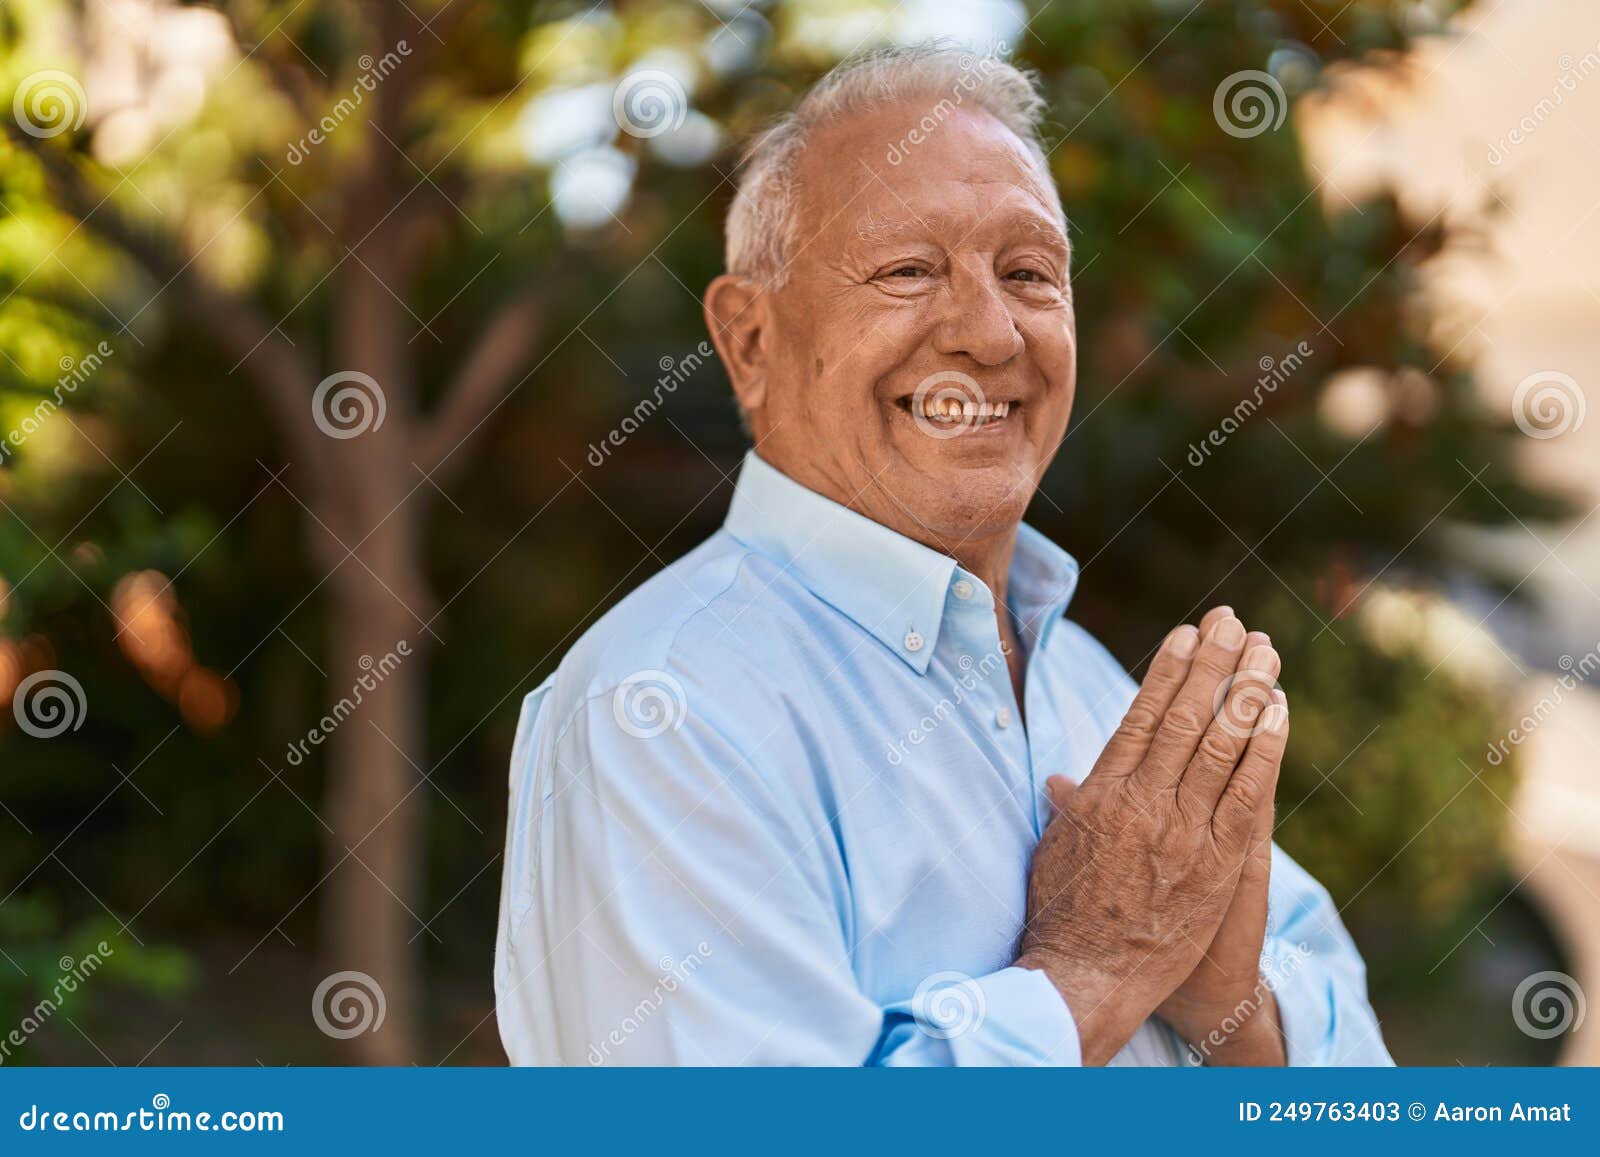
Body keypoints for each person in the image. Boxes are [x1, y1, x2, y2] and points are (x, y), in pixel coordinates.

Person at [494, 44, 1391, 1067]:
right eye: (908, 270)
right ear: (748, 342)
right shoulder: (659, 712)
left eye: (1027, 272)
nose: (989, 332)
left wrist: (1233, 999)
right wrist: (1089, 974)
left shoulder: (1105, 700)